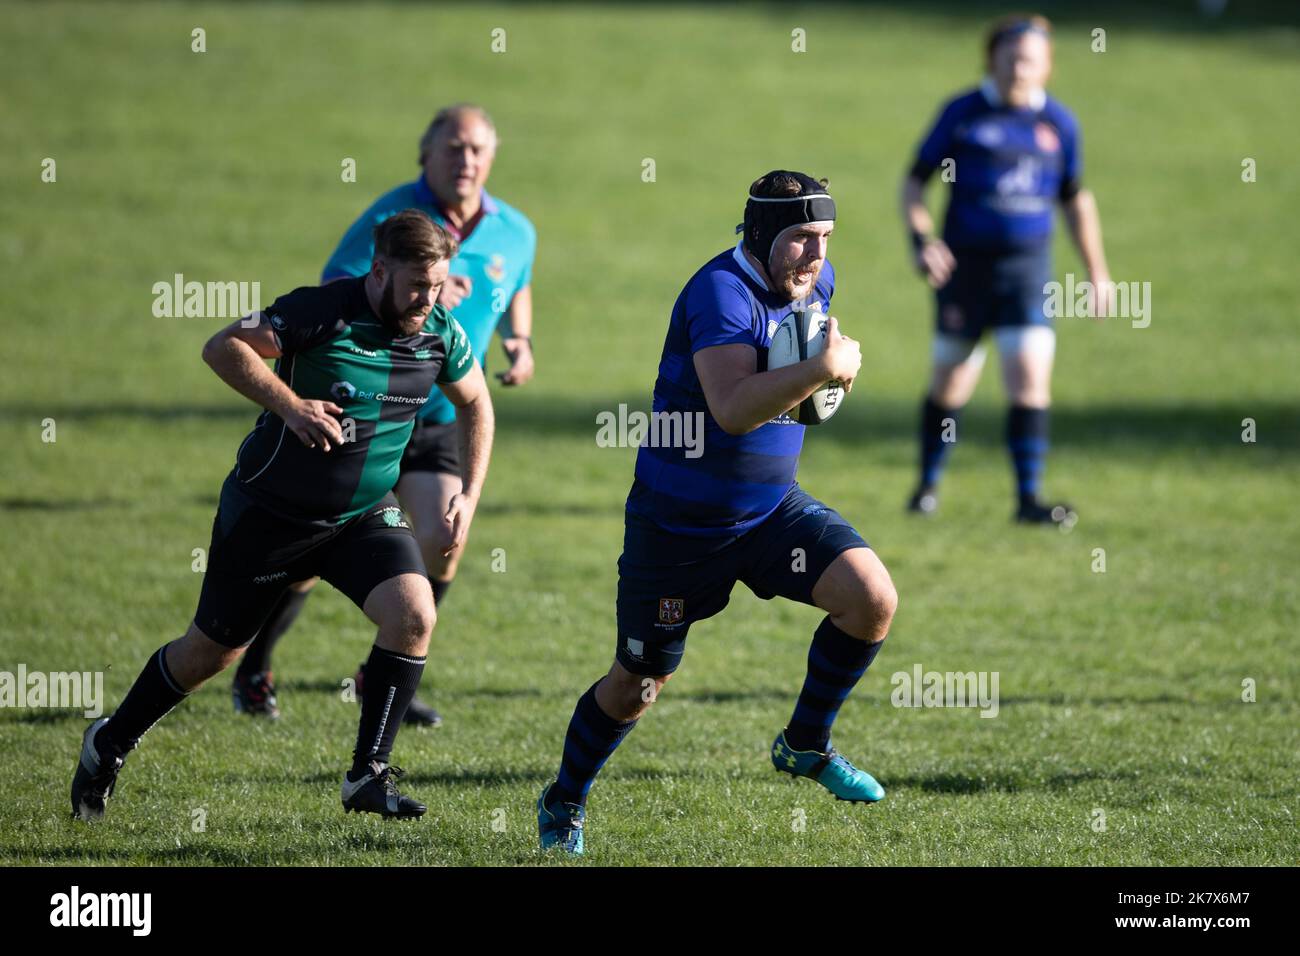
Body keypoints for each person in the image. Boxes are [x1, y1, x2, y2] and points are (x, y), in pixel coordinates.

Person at [71, 210, 494, 821]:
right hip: (271, 515)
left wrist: (469, 493)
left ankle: (367, 774)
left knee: (414, 614)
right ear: (379, 270)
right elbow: (223, 346)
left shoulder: (440, 335)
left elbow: (476, 402)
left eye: (437, 286)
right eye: (417, 285)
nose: (428, 299)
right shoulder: (320, 311)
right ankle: (109, 742)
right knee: (210, 655)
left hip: (362, 515)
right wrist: (291, 405)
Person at [536, 171, 898, 855]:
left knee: (872, 598)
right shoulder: (719, 292)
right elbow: (731, 410)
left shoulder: (817, 282)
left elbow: (794, 385)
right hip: (678, 528)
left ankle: (804, 744)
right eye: (800, 239)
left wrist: (822, 383)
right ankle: (564, 800)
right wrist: (826, 368)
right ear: (760, 235)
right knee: (639, 685)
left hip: (769, 514)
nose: (814, 255)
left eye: (824, 237)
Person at [231, 104, 536, 725]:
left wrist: (519, 338)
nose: (465, 160)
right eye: (452, 147)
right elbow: (337, 281)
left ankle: (382, 675)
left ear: (493, 156)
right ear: (425, 154)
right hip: (361, 411)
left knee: (447, 540)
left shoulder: (515, 229)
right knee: (307, 560)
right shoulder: (392, 216)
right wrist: (424, 291)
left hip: (434, 416)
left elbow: (518, 282)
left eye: (477, 149)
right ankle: (254, 666)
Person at [901, 14, 1112, 524]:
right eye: (1011, 57)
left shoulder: (1058, 124)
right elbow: (914, 184)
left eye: (1031, 59)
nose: (1020, 67)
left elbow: (1075, 199)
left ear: (1047, 66)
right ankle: (926, 487)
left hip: (1027, 271)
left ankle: (1027, 499)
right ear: (991, 58)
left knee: (1029, 380)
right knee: (951, 382)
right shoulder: (962, 114)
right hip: (965, 271)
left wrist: (1097, 272)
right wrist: (922, 241)